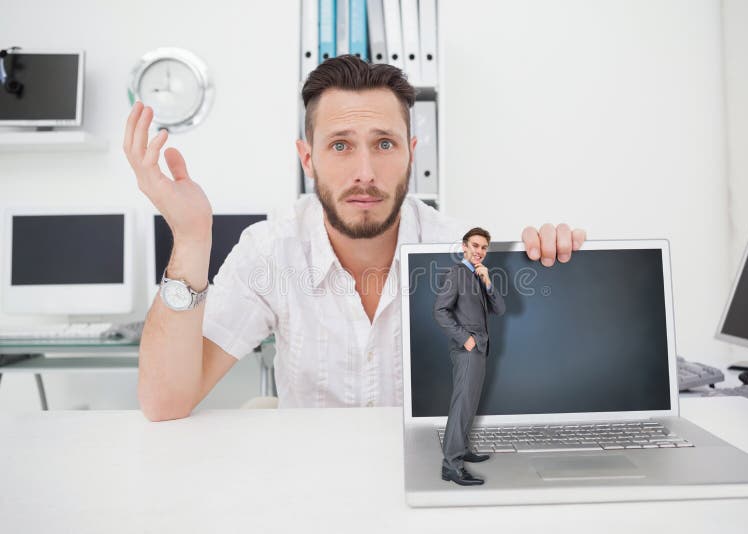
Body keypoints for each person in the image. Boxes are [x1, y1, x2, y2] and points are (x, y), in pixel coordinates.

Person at [122, 55, 586, 421]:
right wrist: (189, 238)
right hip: (310, 492)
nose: (364, 173)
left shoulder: (462, 253)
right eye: (340, 145)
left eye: (384, 144)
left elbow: (543, 387)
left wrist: (557, 277)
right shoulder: (271, 250)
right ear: (308, 159)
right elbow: (166, 403)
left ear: (411, 155)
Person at [434, 227, 505, 486]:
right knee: (461, 406)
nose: (480, 251)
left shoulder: (478, 275)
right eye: (475, 245)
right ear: (464, 246)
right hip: (467, 348)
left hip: (480, 348)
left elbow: (499, 308)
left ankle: (461, 449)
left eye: (484, 247)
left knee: (470, 403)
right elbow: (440, 311)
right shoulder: (456, 274)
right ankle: (451, 466)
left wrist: (487, 280)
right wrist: (466, 339)